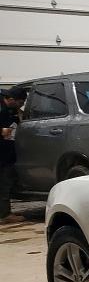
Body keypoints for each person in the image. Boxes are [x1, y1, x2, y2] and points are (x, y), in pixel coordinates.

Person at [0, 88, 26, 225]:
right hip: (2, 155)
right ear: (11, 99)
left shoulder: (13, 110)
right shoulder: (1, 109)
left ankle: (5, 212)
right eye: (20, 102)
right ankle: (4, 215)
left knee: (6, 182)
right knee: (4, 184)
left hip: (8, 154)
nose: (21, 105)